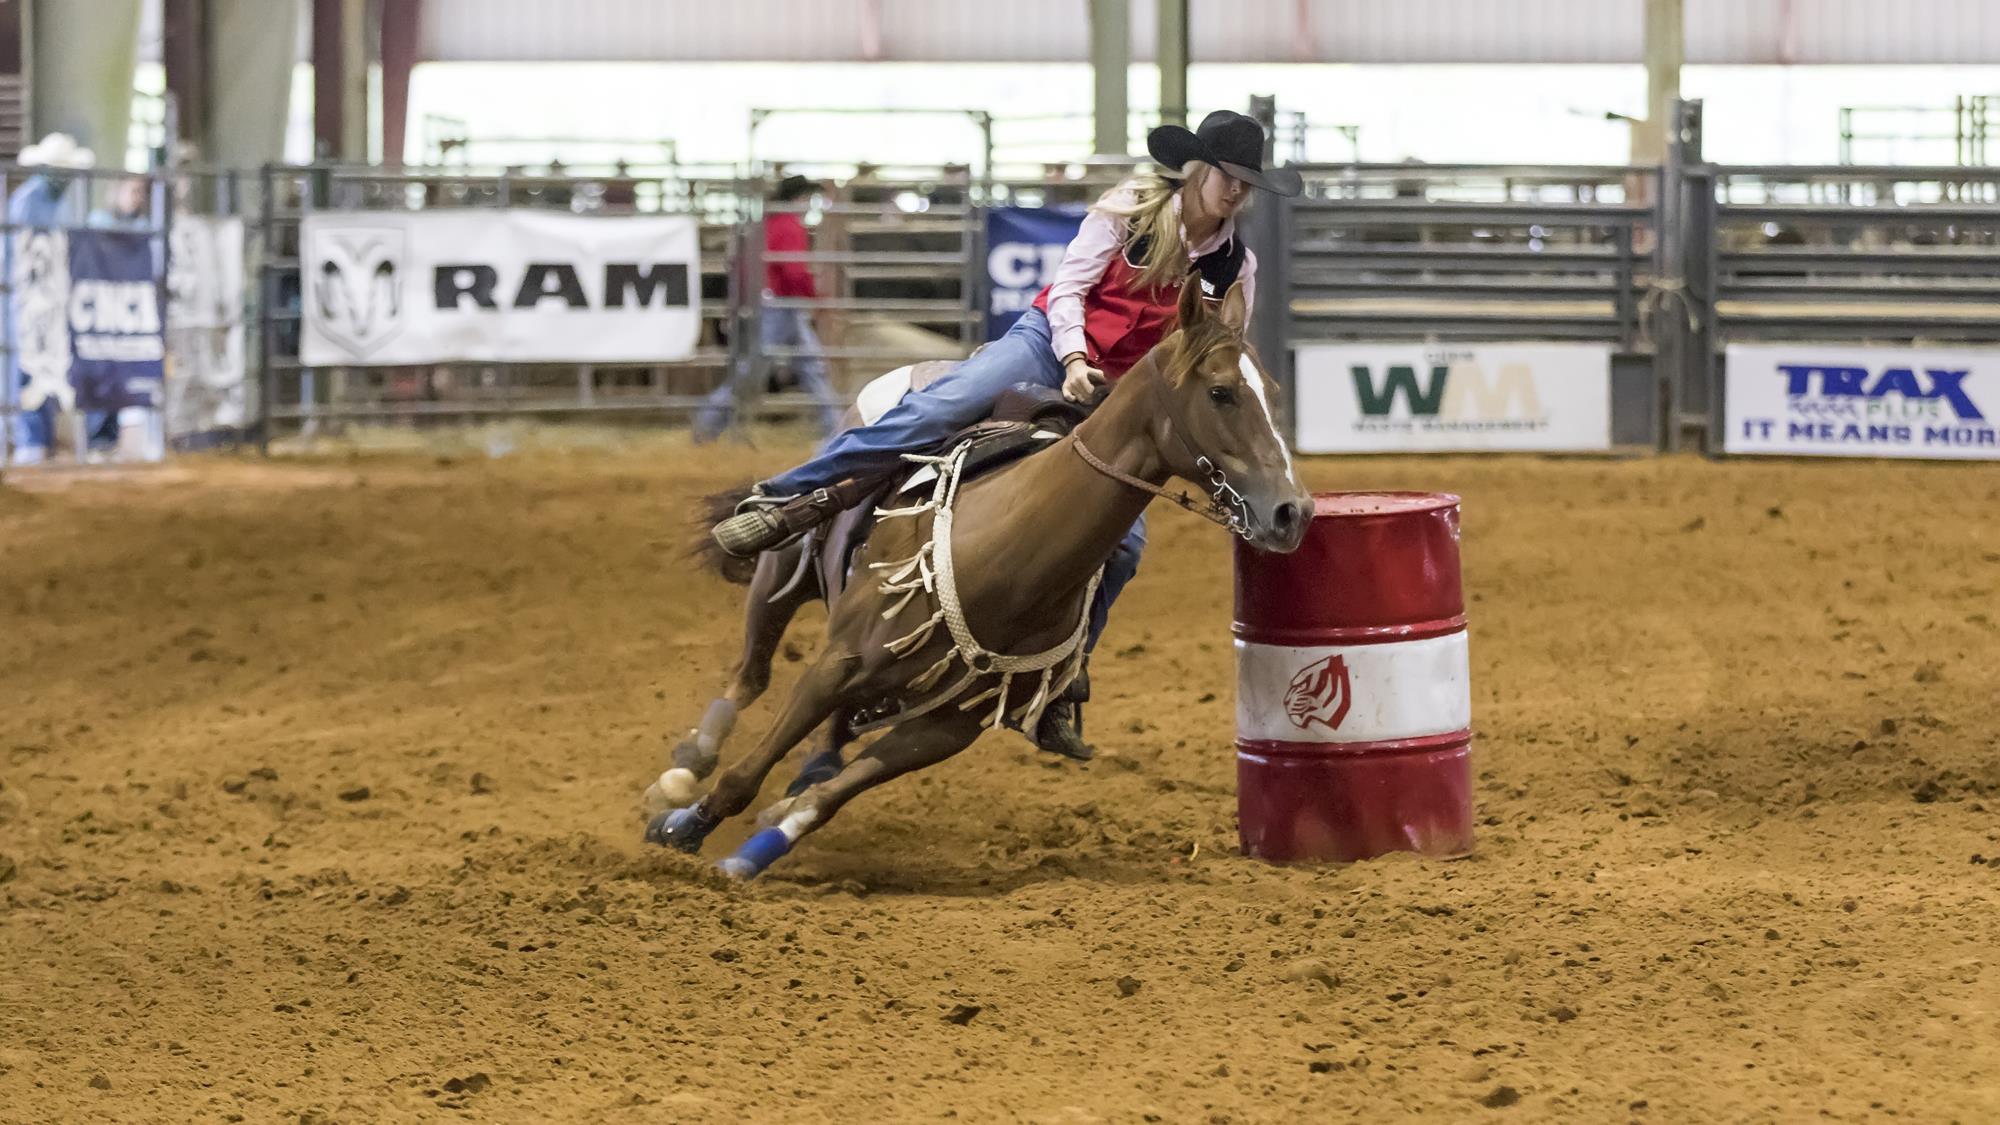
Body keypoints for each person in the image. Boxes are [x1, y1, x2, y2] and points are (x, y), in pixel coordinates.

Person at [710, 110, 1302, 755]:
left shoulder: (1234, 265)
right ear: (1198, 170)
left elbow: (1218, 350)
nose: (1237, 193)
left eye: (1247, 183)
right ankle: (785, 497)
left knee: (1122, 550)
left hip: (1126, 397)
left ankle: (1061, 684)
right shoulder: (1130, 210)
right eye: (1229, 177)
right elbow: (1071, 288)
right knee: (941, 405)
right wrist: (1074, 358)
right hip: (1049, 347)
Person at [694, 174, 845, 441]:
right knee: (767, 371)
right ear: (798, 198)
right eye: (808, 198)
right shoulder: (788, 226)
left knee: (806, 367)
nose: (810, 204)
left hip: (772, 304)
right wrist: (815, 296)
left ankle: (836, 430)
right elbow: (794, 271)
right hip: (781, 305)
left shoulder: (767, 225)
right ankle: (708, 423)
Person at [6, 133, 95, 463]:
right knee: (26, 361)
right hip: (24, 298)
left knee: (48, 363)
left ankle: (41, 439)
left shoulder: (57, 202)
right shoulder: (28, 200)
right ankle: (29, 439)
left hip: (51, 298)